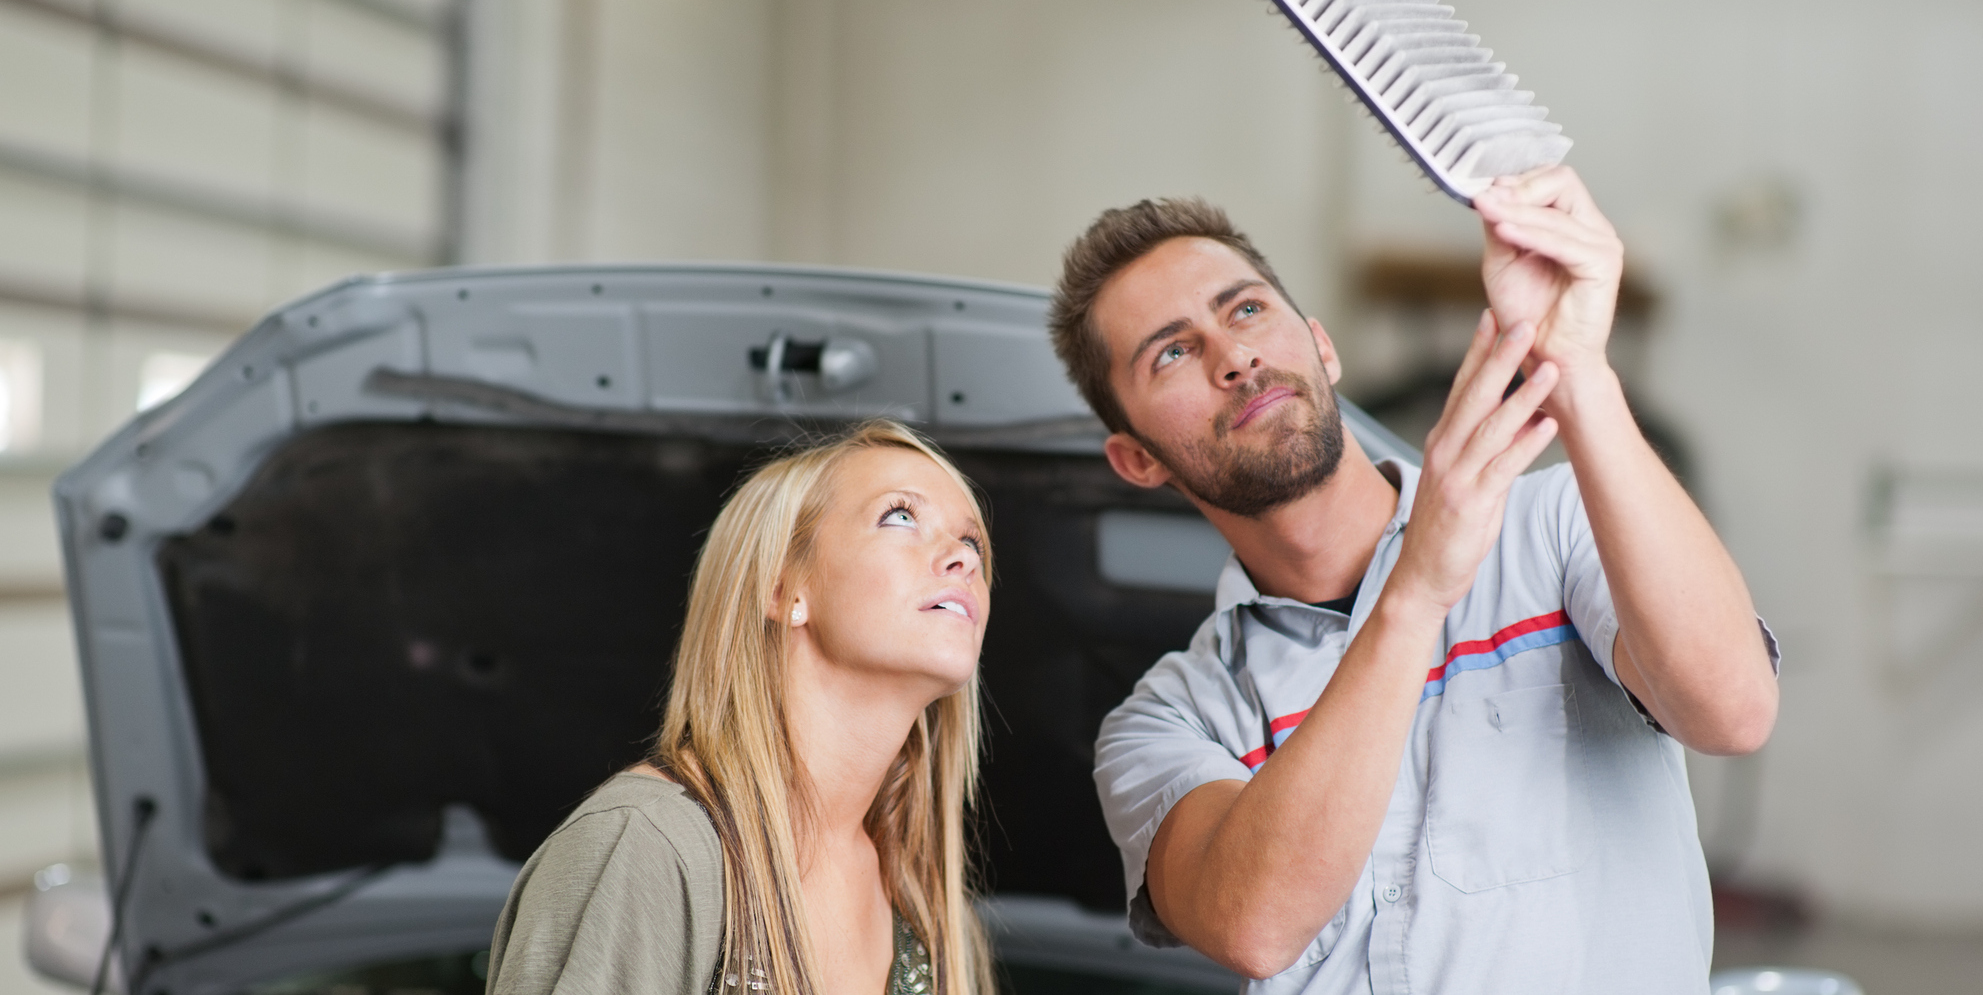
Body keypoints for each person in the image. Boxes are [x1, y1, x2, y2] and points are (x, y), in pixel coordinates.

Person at [1051, 167, 1781, 993]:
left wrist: (1579, 371)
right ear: (1136, 460)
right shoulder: (1169, 720)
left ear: (1322, 346)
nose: (1235, 357)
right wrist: (1416, 590)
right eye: (1173, 352)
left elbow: (1734, 710)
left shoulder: (1555, 527)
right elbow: (1254, 926)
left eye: (1246, 309)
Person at [485, 420, 996, 995]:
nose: (963, 558)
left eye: (973, 542)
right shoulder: (648, 846)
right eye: (900, 516)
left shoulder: (926, 908)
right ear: (781, 588)